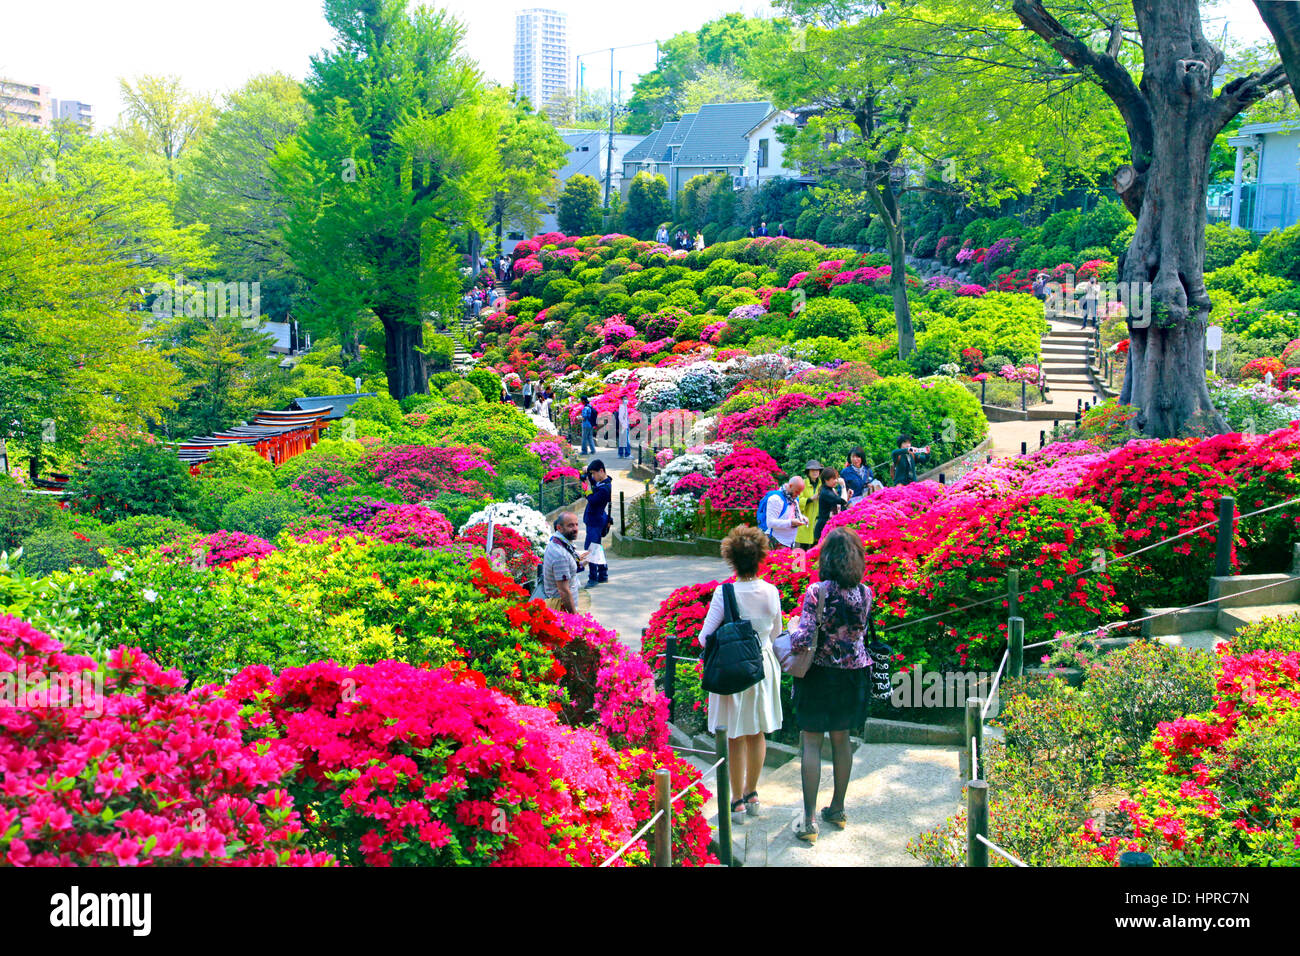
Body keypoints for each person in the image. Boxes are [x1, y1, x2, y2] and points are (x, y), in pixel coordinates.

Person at [787, 528, 874, 844]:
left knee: (811, 742)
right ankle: (837, 809)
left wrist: (791, 626)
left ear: (826, 558)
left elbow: (803, 640)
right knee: (842, 739)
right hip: (854, 676)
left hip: (819, 674)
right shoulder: (866, 593)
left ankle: (809, 820)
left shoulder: (816, 592)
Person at [697, 526, 784, 821]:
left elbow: (704, 637)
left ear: (731, 558)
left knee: (735, 734)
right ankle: (752, 791)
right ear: (761, 557)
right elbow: (776, 633)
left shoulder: (725, 592)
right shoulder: (771, 591)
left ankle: (737, 802)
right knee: (757, 731)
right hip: (763, 666)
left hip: (734, 670)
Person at [539, 512, 589, 613]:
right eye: (570, 525)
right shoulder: (560, 555)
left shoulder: (557, 541)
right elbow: (563, 591)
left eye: (576, 524)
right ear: (559, 528)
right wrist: (574, 616)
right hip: (561, 609)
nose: (575, 529)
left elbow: (567, 569)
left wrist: (582, 561)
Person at [583, 460, 613, 585]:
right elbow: (589, 479)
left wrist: (588, 489)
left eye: (594, 473)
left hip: (595, 522)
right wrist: (586, 472)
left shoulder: (604, 489)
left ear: (601, 471)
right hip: (595, 520)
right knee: (597, 549)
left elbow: (592, 500)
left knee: (591, 549)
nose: (593, 476)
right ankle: (603, 574)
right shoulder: (602, 482)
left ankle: (593, 578)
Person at [765, 476, 808, 549]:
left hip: (789, 542)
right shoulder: (776, 499)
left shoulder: (794, 499)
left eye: (800, 493)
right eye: (797, 491)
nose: (798, 495)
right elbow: (770, 522)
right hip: (776, 541)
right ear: (790, 486)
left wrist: (803, 518)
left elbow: (795, 515)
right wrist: (791, 522)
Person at [814, 466, 849, 542]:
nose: (836, 481)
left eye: (836, 478)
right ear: (826, 480)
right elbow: (843, 501)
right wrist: (843, 486)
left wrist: (848, 495)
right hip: (824, 527)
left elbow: (840, 503)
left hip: (829, 526)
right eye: (834, 479)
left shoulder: (830, 490)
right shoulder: (826, 492)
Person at [795, 459, 822, 551]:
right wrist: (810, 499)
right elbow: (797, 500)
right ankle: (801, 565)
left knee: (816, 547)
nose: (815, 472)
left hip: (817, 520)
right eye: (812, 470)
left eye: (817, 470)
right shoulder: (802, 483)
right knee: (803, 547)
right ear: (808, 472)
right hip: (805, 520)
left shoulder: (822, 484)